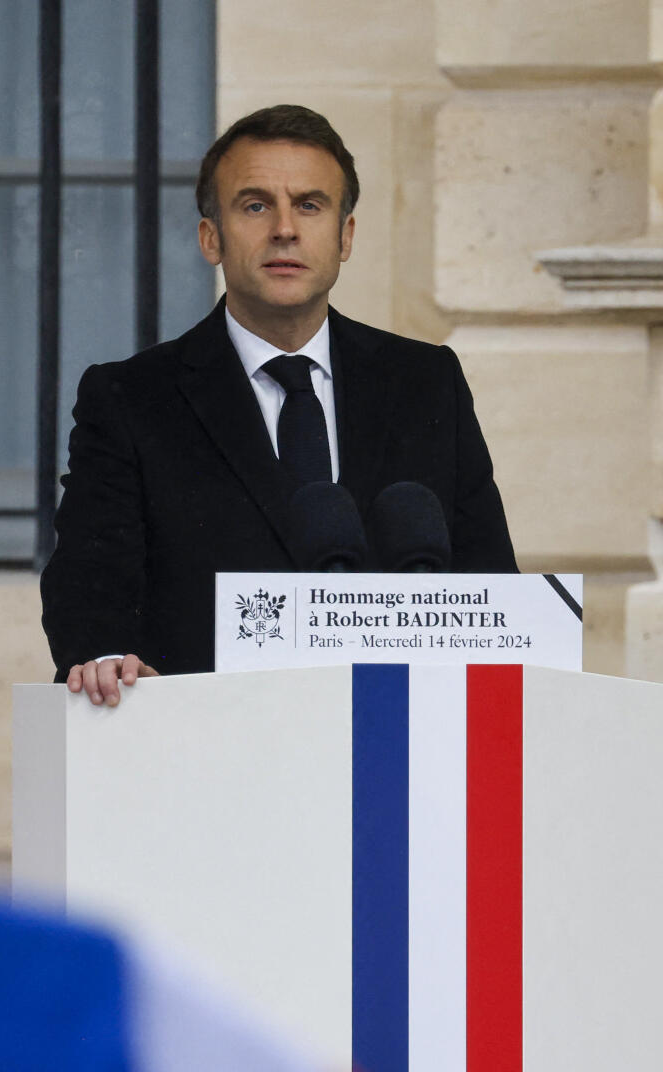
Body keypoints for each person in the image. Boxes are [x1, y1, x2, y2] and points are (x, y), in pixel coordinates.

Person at [42, 105, 517, 703]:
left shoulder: (426, 381)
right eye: (255, 205)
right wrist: (106, 658)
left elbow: (491, 583)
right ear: (210, 237)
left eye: (310, 205)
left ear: (345, 237)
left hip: (397, 745)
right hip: (205, 747)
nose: (285, 229)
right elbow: (91, 579)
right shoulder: (131, 398)